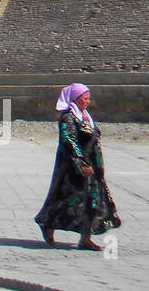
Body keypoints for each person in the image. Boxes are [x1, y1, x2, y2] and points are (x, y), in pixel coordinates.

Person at [35, 82, 120, 250]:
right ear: (75, 98)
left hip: (92, 168)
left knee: (92, 202)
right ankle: (48, 224)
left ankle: (86, 238)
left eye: (89, 99)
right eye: (85, 98)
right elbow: (69, 140)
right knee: (66, 201)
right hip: (73, 170)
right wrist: (81, 163)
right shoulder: (68, 118)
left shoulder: (85, 116)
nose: (88, 102)